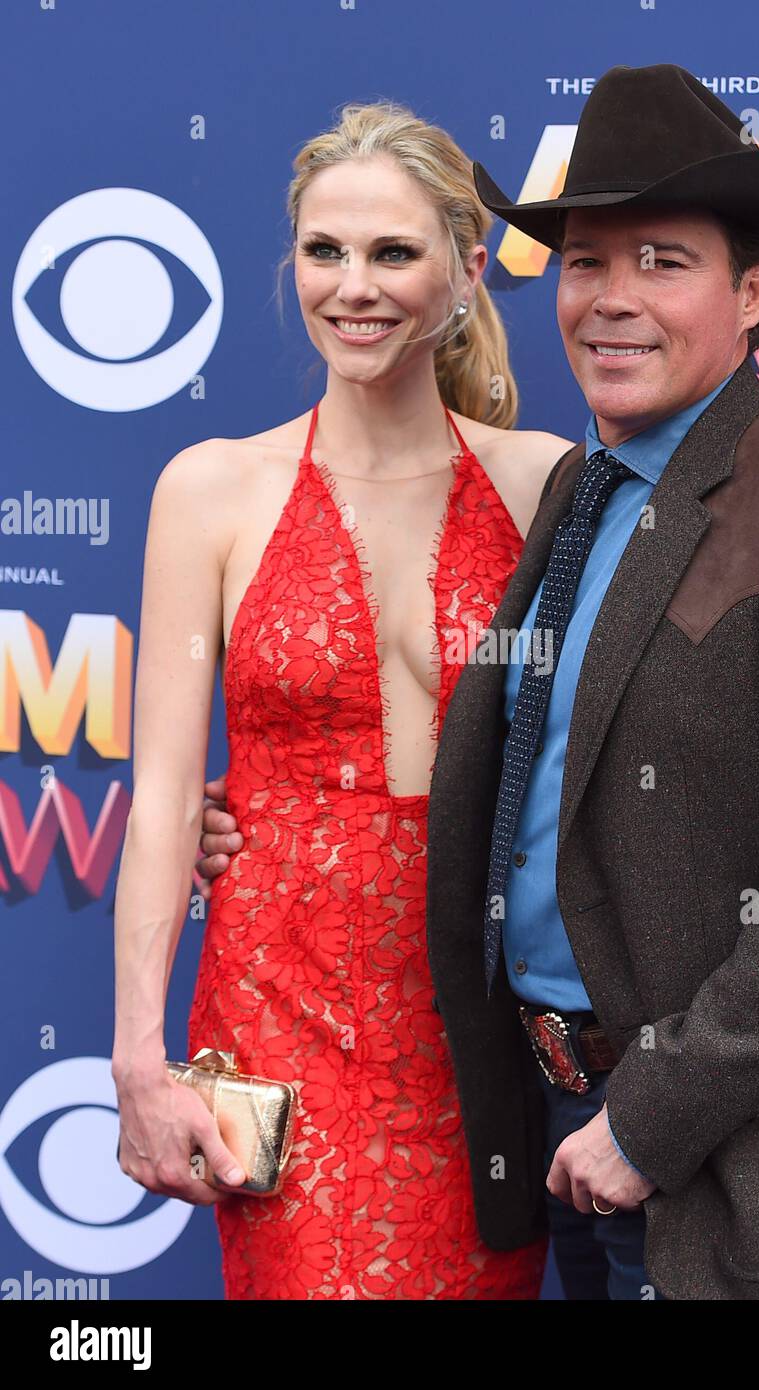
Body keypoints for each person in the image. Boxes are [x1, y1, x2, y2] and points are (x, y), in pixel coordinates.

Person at [199, 66, 759, 1301]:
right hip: (555, 1128)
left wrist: (652, 1117)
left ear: (754, 292)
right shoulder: (575, 493)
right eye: (586, 262)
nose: (610, 300)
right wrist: (249, 818)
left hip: (739, 1162)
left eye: (662, 261)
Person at [113, 99, 572, 1299]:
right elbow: (161, 799)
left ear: (469, 273)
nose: (352, 286)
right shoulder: (208, 489)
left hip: (480, 1028)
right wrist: (136, 1062)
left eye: (392, 253)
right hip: (278, 1006)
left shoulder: (546, 487)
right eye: (324, 250)